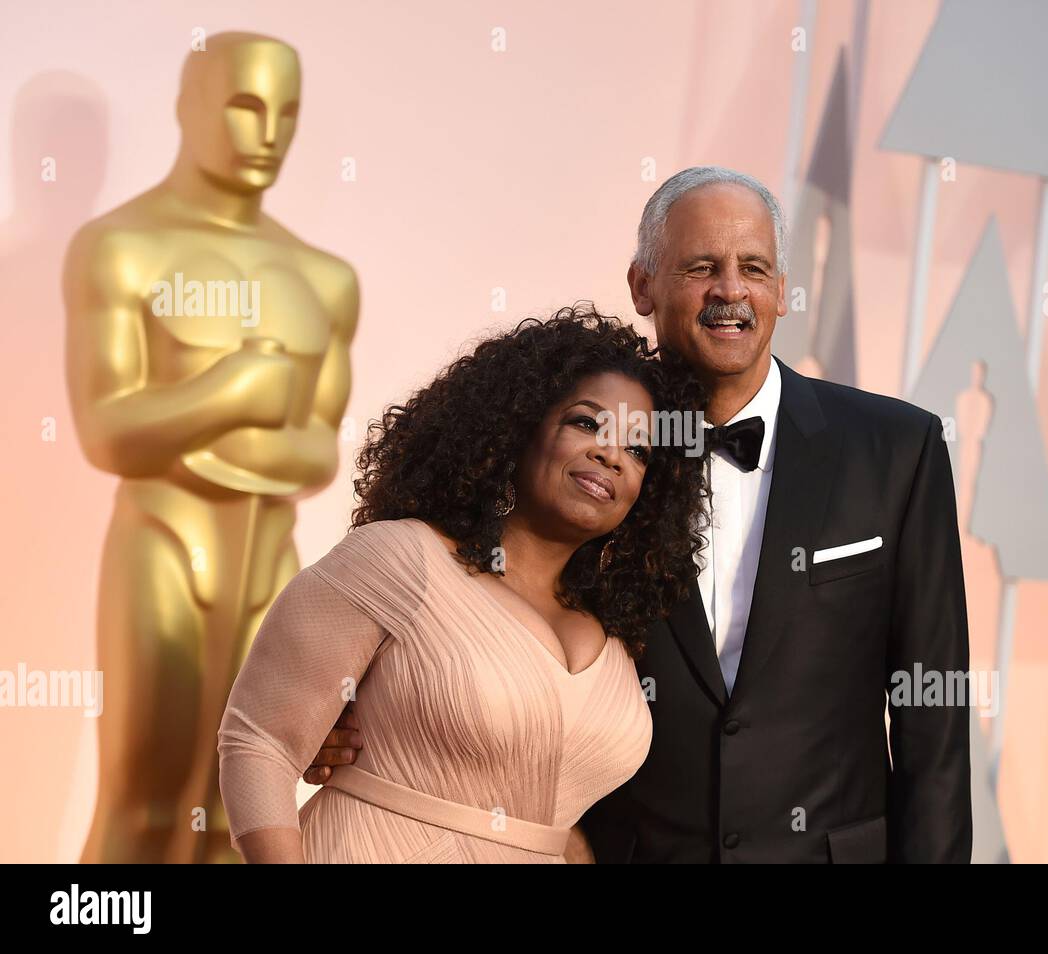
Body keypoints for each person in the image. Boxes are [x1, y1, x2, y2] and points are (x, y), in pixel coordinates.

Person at [310, 166, 974, 863]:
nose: (730, 290)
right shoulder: (578, 459)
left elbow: (934, 719)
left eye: (754, 267)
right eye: (700, 266)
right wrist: (357, 709)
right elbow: (457, 608)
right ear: (642, 285)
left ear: (782, 291)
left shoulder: (897, 449)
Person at [217, 305, 708, 862]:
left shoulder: (619, 638)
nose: (610, 453)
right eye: (586, 422)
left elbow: (543, 821)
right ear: (518, 429)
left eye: (638, 449)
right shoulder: (402, 558)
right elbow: (259, 742)